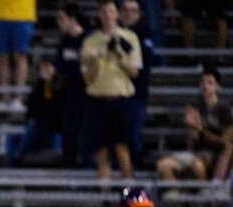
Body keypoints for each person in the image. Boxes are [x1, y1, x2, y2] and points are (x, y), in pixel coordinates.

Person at [81, 0, 142, 181]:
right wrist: (93, 61)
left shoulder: (129, 38)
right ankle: (105, 198)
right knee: (102, 151)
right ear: (100, 15)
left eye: (111, 12)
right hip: (98, 100)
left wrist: (120, 55)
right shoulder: (90, 41)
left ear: (117, 14)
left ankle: (130, 198)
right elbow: (87, 79)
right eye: (104, 12)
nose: (108, 16)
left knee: (122, 150)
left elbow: (135, 72)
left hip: (121, 99)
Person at [156, 67, 233, 185]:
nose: (205, 86)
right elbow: (191, 144)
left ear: (218, 87)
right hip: (196, 154)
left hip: (214, 157)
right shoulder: (196, 108)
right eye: (202, 82)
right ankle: (177, 199)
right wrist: (192, 129)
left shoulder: (225, 110)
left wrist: (199, 128)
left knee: (197, 166)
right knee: (163, 165)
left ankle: (204, 199)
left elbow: (225, 143)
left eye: (210, 82)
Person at [6, 57, 64, 164]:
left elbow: (58, 109)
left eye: (48, 68)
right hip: (39, 127)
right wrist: (44, 86)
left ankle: (59, 158)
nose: (46, 71)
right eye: (43, 69)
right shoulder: (37, 90)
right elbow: (32, 111)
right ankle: (17, 157)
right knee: (18, 133)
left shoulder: (62, 88)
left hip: (56, 128)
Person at [55, 2, 89, 168]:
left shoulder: (88, 40)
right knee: (68, 133)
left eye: (62, 19)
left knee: (85, 136)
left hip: (87, 95)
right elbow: (60, 68)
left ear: (72, 19)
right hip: (70, 95)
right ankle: (69, 171)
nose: (59, 23)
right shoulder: (64, 41)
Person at [120, 0, 153, 167]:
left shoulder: (143, 34)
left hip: (135, 94)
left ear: (139, 15)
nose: (128, 14)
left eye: (133, 11)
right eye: (125, 10)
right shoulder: (112, 34)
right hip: (115, 94)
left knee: (132, 138)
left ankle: (136, 177)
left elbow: (142, 68)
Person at [0, 0, 36, 111]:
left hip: (22, 13)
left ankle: (19, 98)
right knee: (1, 57)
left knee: (19, 56)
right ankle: (4, 98)